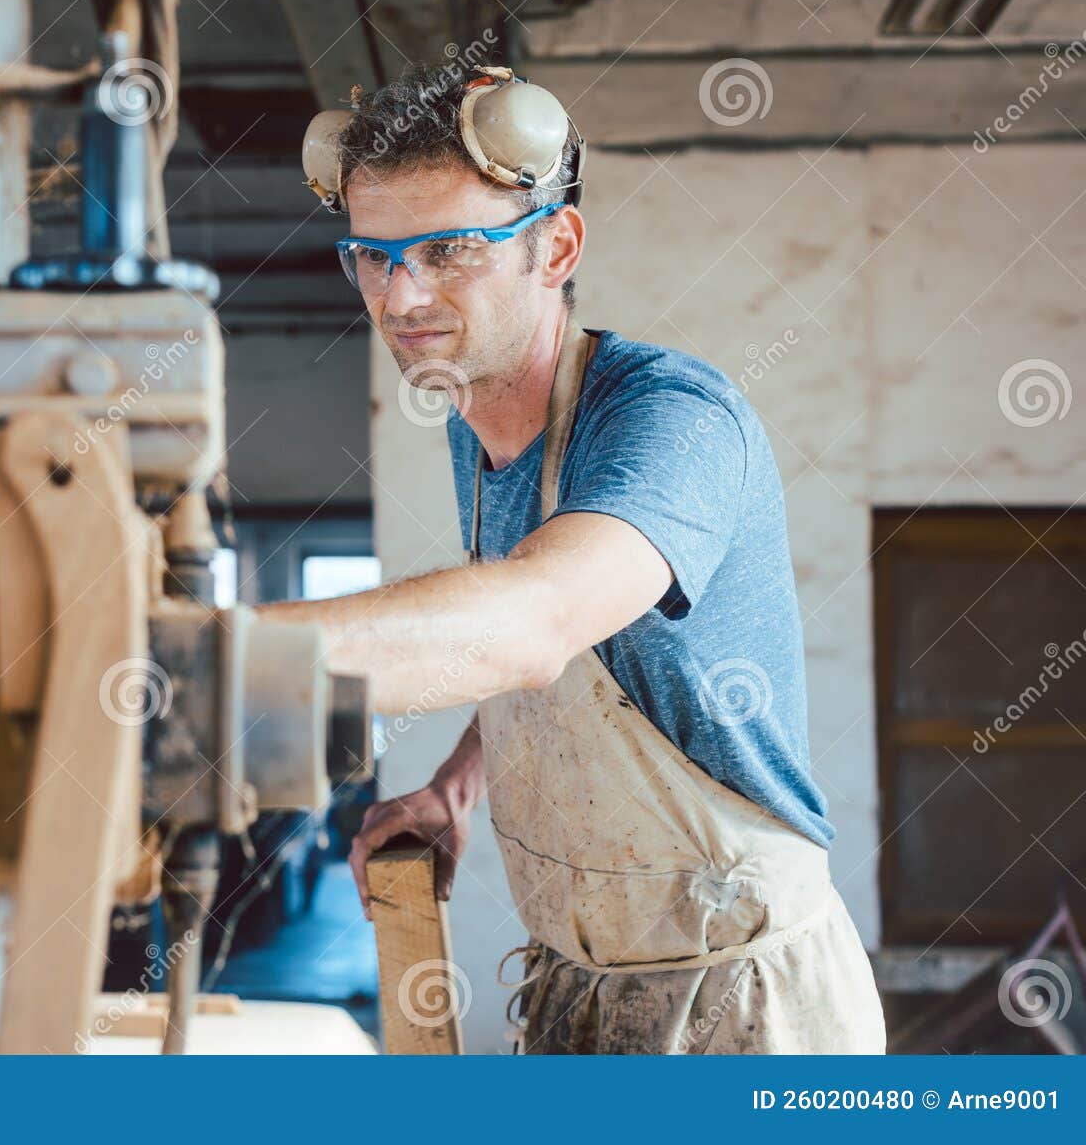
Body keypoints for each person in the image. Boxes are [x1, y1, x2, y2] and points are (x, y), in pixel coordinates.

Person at [259, 64, 885, 1053]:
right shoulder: (475, 419)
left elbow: (536, 619)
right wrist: (456, 788)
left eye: (449, 249)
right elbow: (551, 664)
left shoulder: (668, 420)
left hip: (741, 1004)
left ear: (557, 246)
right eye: (371, 256)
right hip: (579, 982)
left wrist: (205, 663)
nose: (402, 293)